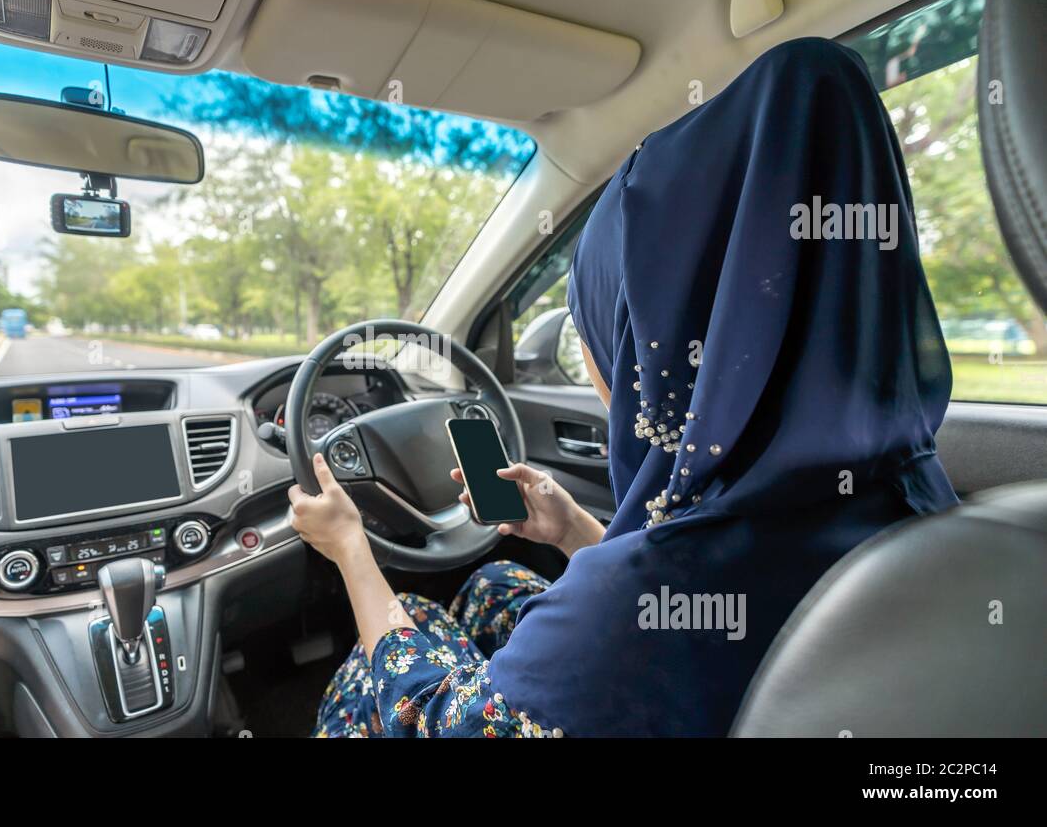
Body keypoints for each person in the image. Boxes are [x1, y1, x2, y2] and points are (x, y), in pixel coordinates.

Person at [288, 37, 958, 737]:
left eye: (606, 328)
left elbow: (429, 720)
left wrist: (351, 550)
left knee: (385, 655)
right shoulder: (908, 491)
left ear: (658, 344)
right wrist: (576, 528)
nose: (598, 360)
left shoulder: (628, 603)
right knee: (492, 586)